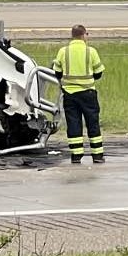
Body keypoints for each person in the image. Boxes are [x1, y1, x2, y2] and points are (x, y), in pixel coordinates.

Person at [52, 24, 105, 163]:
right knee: (92, 123)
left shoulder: (63, 51)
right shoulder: (91, 51)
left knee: (73, 124)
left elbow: (57, 72)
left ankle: (76, 156)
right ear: (83, 35)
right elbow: (98, 73)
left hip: (69, 94)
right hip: (88, 93)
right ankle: (97, 155)